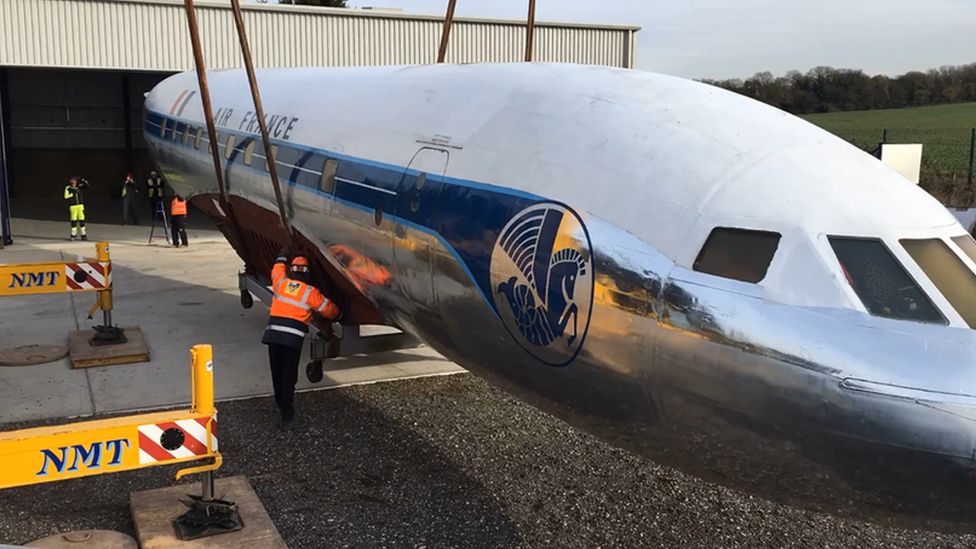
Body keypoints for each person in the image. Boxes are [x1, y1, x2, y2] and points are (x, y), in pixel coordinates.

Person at [261, 249, 341, 427]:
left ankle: (280, 404)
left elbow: (276, 269)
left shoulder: (281, 283)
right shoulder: (310, 292)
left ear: (292, 270)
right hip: (292, 340)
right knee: (289, 376)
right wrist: (340, 315)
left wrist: (282, 254)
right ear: (307, 273)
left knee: (277, 372)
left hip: (273, 336)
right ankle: (287, 416)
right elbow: (329, 310)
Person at [64, 176, 89, 241]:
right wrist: (72, 194)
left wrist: (82, 179)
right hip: (73, 206)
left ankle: (83, 235)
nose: (74, 182)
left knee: (82, 220)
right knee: (73, 221)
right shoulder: (68, 188)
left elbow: (87, 185)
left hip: (80, 205)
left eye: (75, 180)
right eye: (72, 180)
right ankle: (73, 235)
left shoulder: (79, 187)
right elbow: (66, 196)